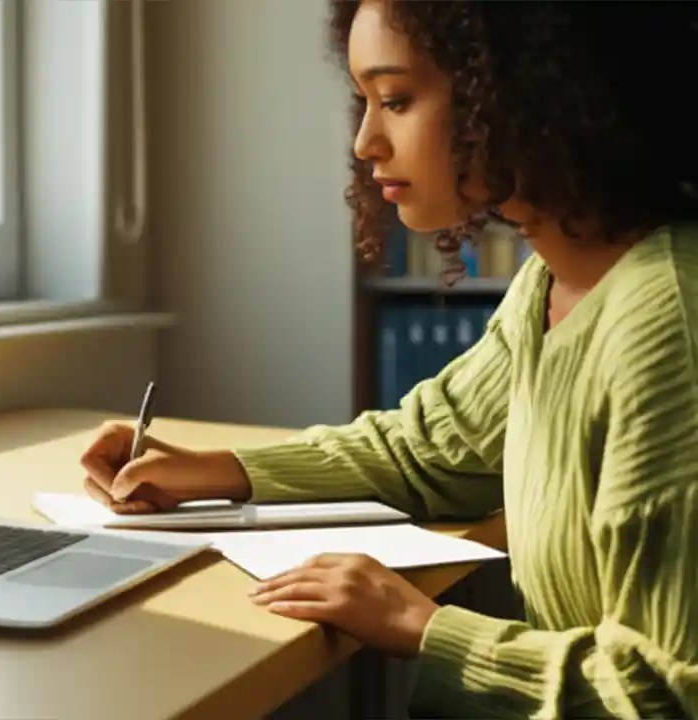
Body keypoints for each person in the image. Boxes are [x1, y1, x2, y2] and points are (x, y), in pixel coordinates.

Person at [81, 1, 698, 716]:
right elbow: (431, 451)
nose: (367, 142)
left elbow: (669, 691)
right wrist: (216, 471)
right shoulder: (552, 283)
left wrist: (423, 627)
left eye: (397, 100)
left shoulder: (668, 327)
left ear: (526, 93)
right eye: (366, 103)